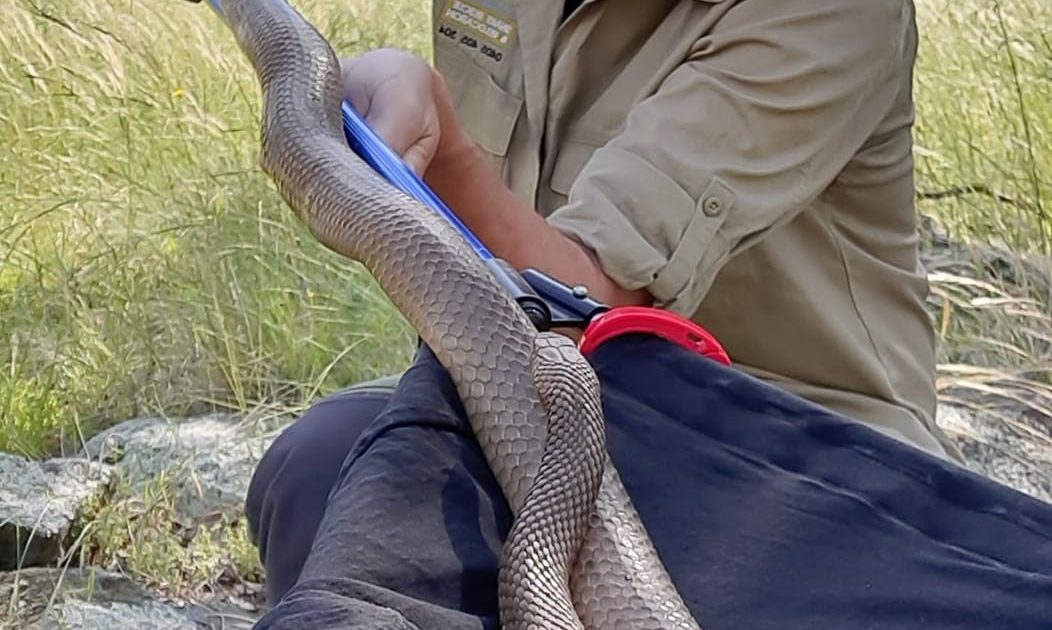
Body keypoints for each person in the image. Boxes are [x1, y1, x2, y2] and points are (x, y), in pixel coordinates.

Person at [244, 1, 1041, 627]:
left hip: (785, 444)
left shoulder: (832, 11)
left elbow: (592, 302)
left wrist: (443, 147)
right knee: (323, 462)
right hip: (554, 389)